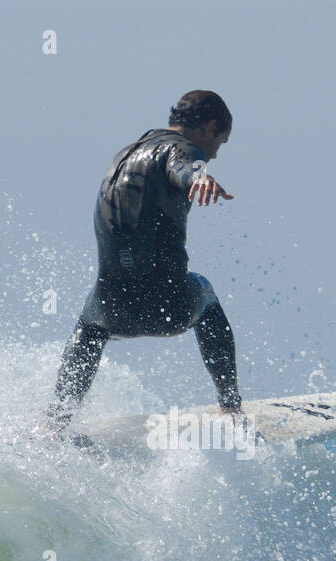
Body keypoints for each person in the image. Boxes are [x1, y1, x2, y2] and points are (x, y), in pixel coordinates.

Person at [47, 90, 241, 431]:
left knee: (89, 326)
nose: (215, 153)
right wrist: (200, 177)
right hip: (165, 305)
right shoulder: (183, 149)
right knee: (206, 295)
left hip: (112, 310)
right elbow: (183, 165)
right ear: (209, 127)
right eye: (220, 142)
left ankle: (55, 421)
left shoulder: (126, 153)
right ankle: (231, 409)